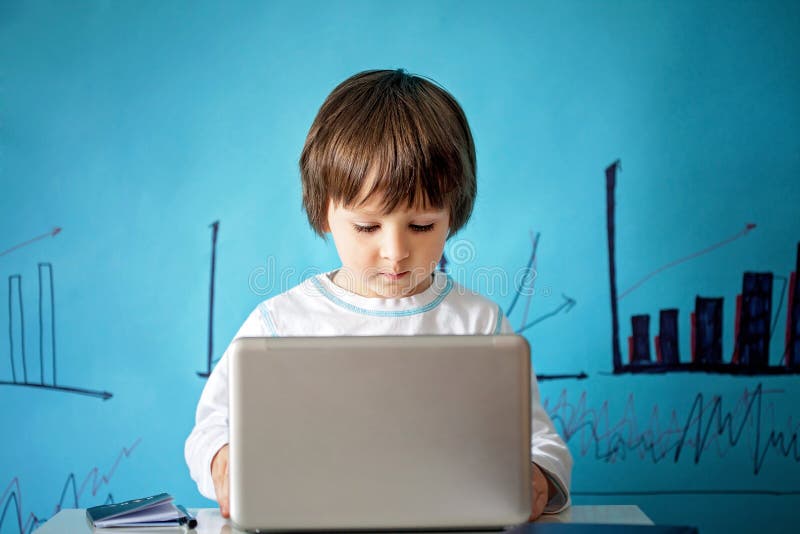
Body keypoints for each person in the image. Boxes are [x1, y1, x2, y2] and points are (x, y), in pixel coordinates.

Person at [185, 69, 572, 521]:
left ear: (454, 215)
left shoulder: (478, 323)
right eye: (367, 227)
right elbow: (210, 427)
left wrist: (536, 474)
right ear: (324, 212)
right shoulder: (279, 322)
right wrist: (223, 461)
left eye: (422, 226)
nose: (395, 253)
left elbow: (539, 441)